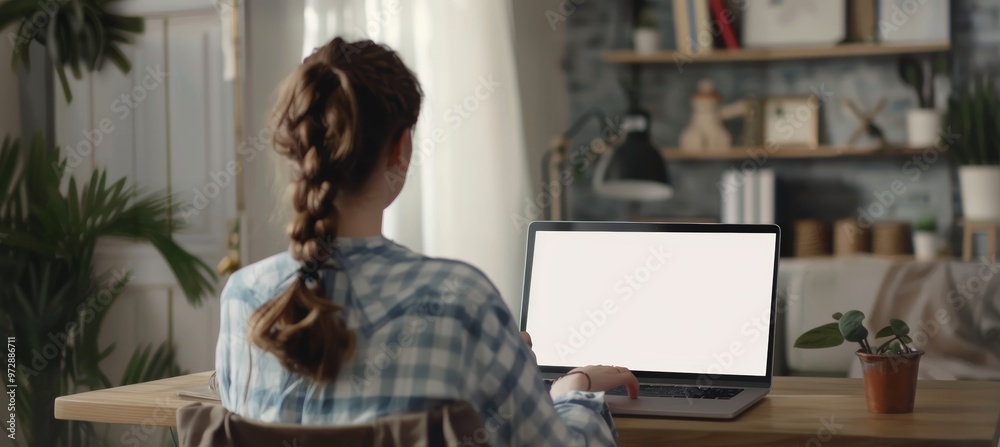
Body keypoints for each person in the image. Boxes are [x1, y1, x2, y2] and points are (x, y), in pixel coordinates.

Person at [214, 37, 640, 446]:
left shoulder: (243, 297)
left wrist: (496, 356)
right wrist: (572, 390)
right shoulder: (458, 298)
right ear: (401, 149)